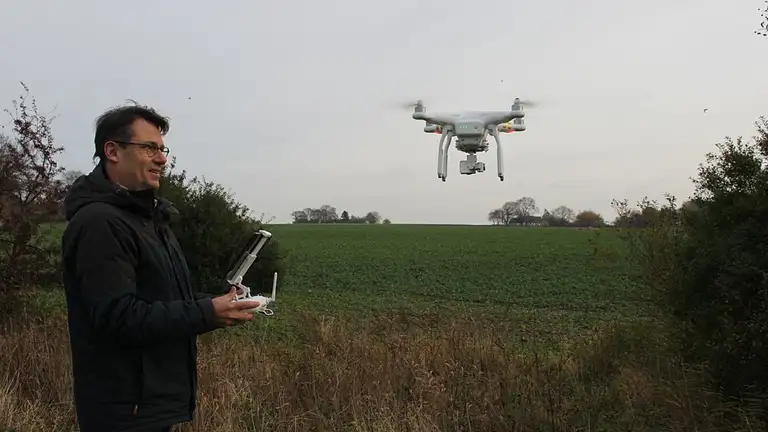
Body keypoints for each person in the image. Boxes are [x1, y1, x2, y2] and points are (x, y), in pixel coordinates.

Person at [60, 102, 262, 432]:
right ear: (112, 151)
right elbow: (118, 316)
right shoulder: (100, 223)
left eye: (163, 149)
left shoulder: (150, 220)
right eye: (149, 148)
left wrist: (218, 302)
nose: (162, 159)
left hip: (151, 406)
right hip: (124, 412)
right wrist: (205, 313)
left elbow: (162, 295)